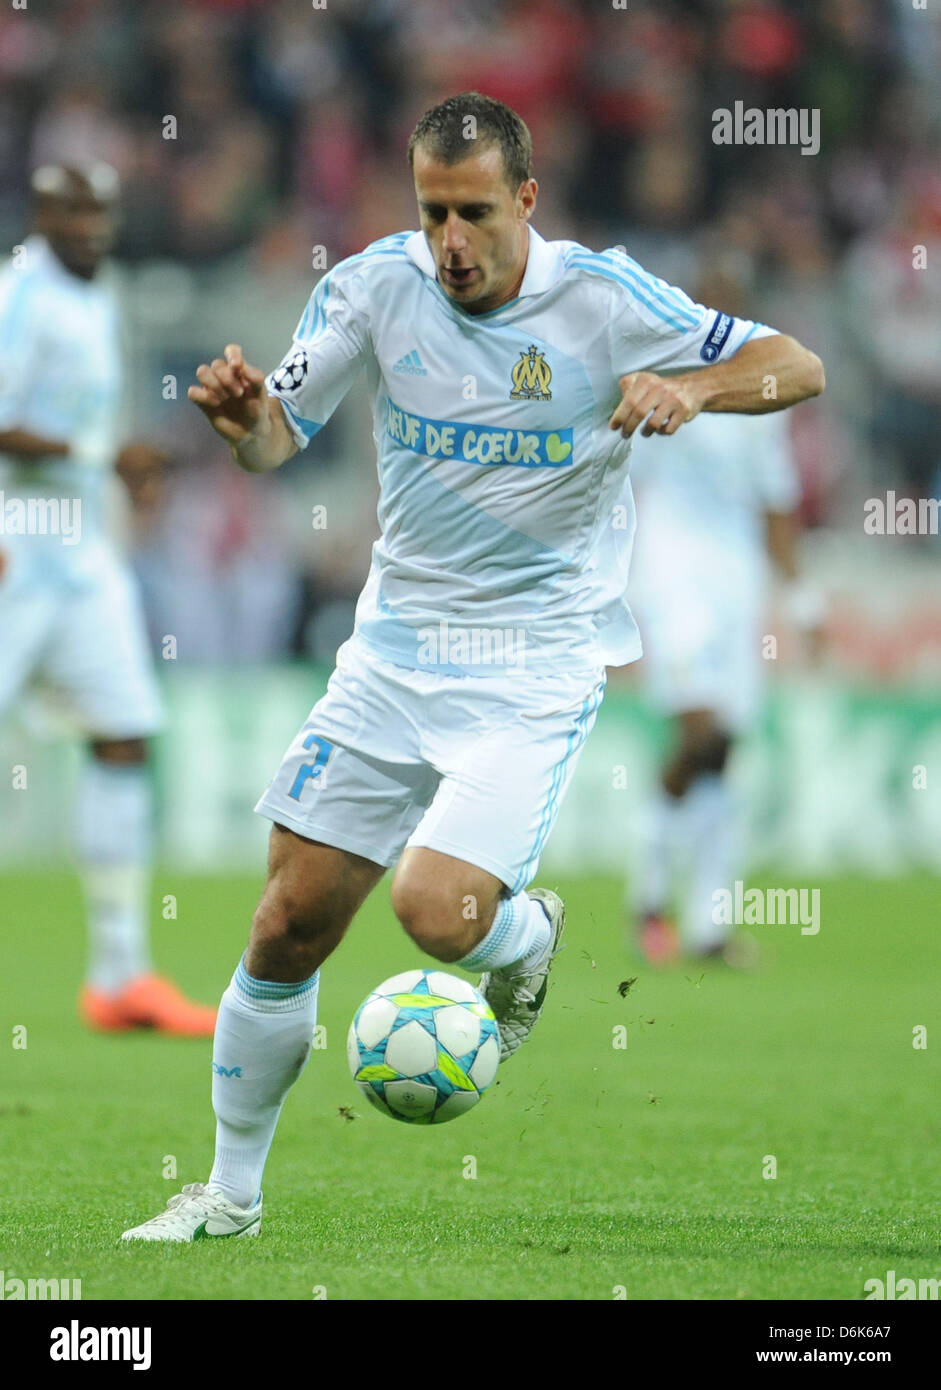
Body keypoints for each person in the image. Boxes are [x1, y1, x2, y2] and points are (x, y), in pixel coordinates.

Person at [122, 92, 823, 1241]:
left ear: (526, 203)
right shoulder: (369, 287)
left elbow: (794, 364)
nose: (451, 240)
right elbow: (271, 444)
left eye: (475, 214)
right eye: (433, 211)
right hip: (392, 654)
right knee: (285, 925)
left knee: (434, 911)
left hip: (531, 666)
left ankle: (523, 937)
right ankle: (229, 1196)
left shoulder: (600, 298)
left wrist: (688, 387)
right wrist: (242, 420)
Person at [0, 164, 216, 1037]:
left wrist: (119, 478)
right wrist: (105, 455)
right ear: (42, 215)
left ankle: (121, 975)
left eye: (98, 209)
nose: (87, 224)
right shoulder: (21, 293)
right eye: (69, 210)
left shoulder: (101, 293)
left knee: (123, 734)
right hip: (15, 545)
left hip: (84, 556)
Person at [626, 269, 827, 965]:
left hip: (735, 585)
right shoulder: (654, 384)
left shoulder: (760, 399)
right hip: (670, 577)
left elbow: (775, 503)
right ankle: (649, 899)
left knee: (727, 752)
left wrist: (801, 600)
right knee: (700, 733)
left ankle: (708, 926)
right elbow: (618, 491)